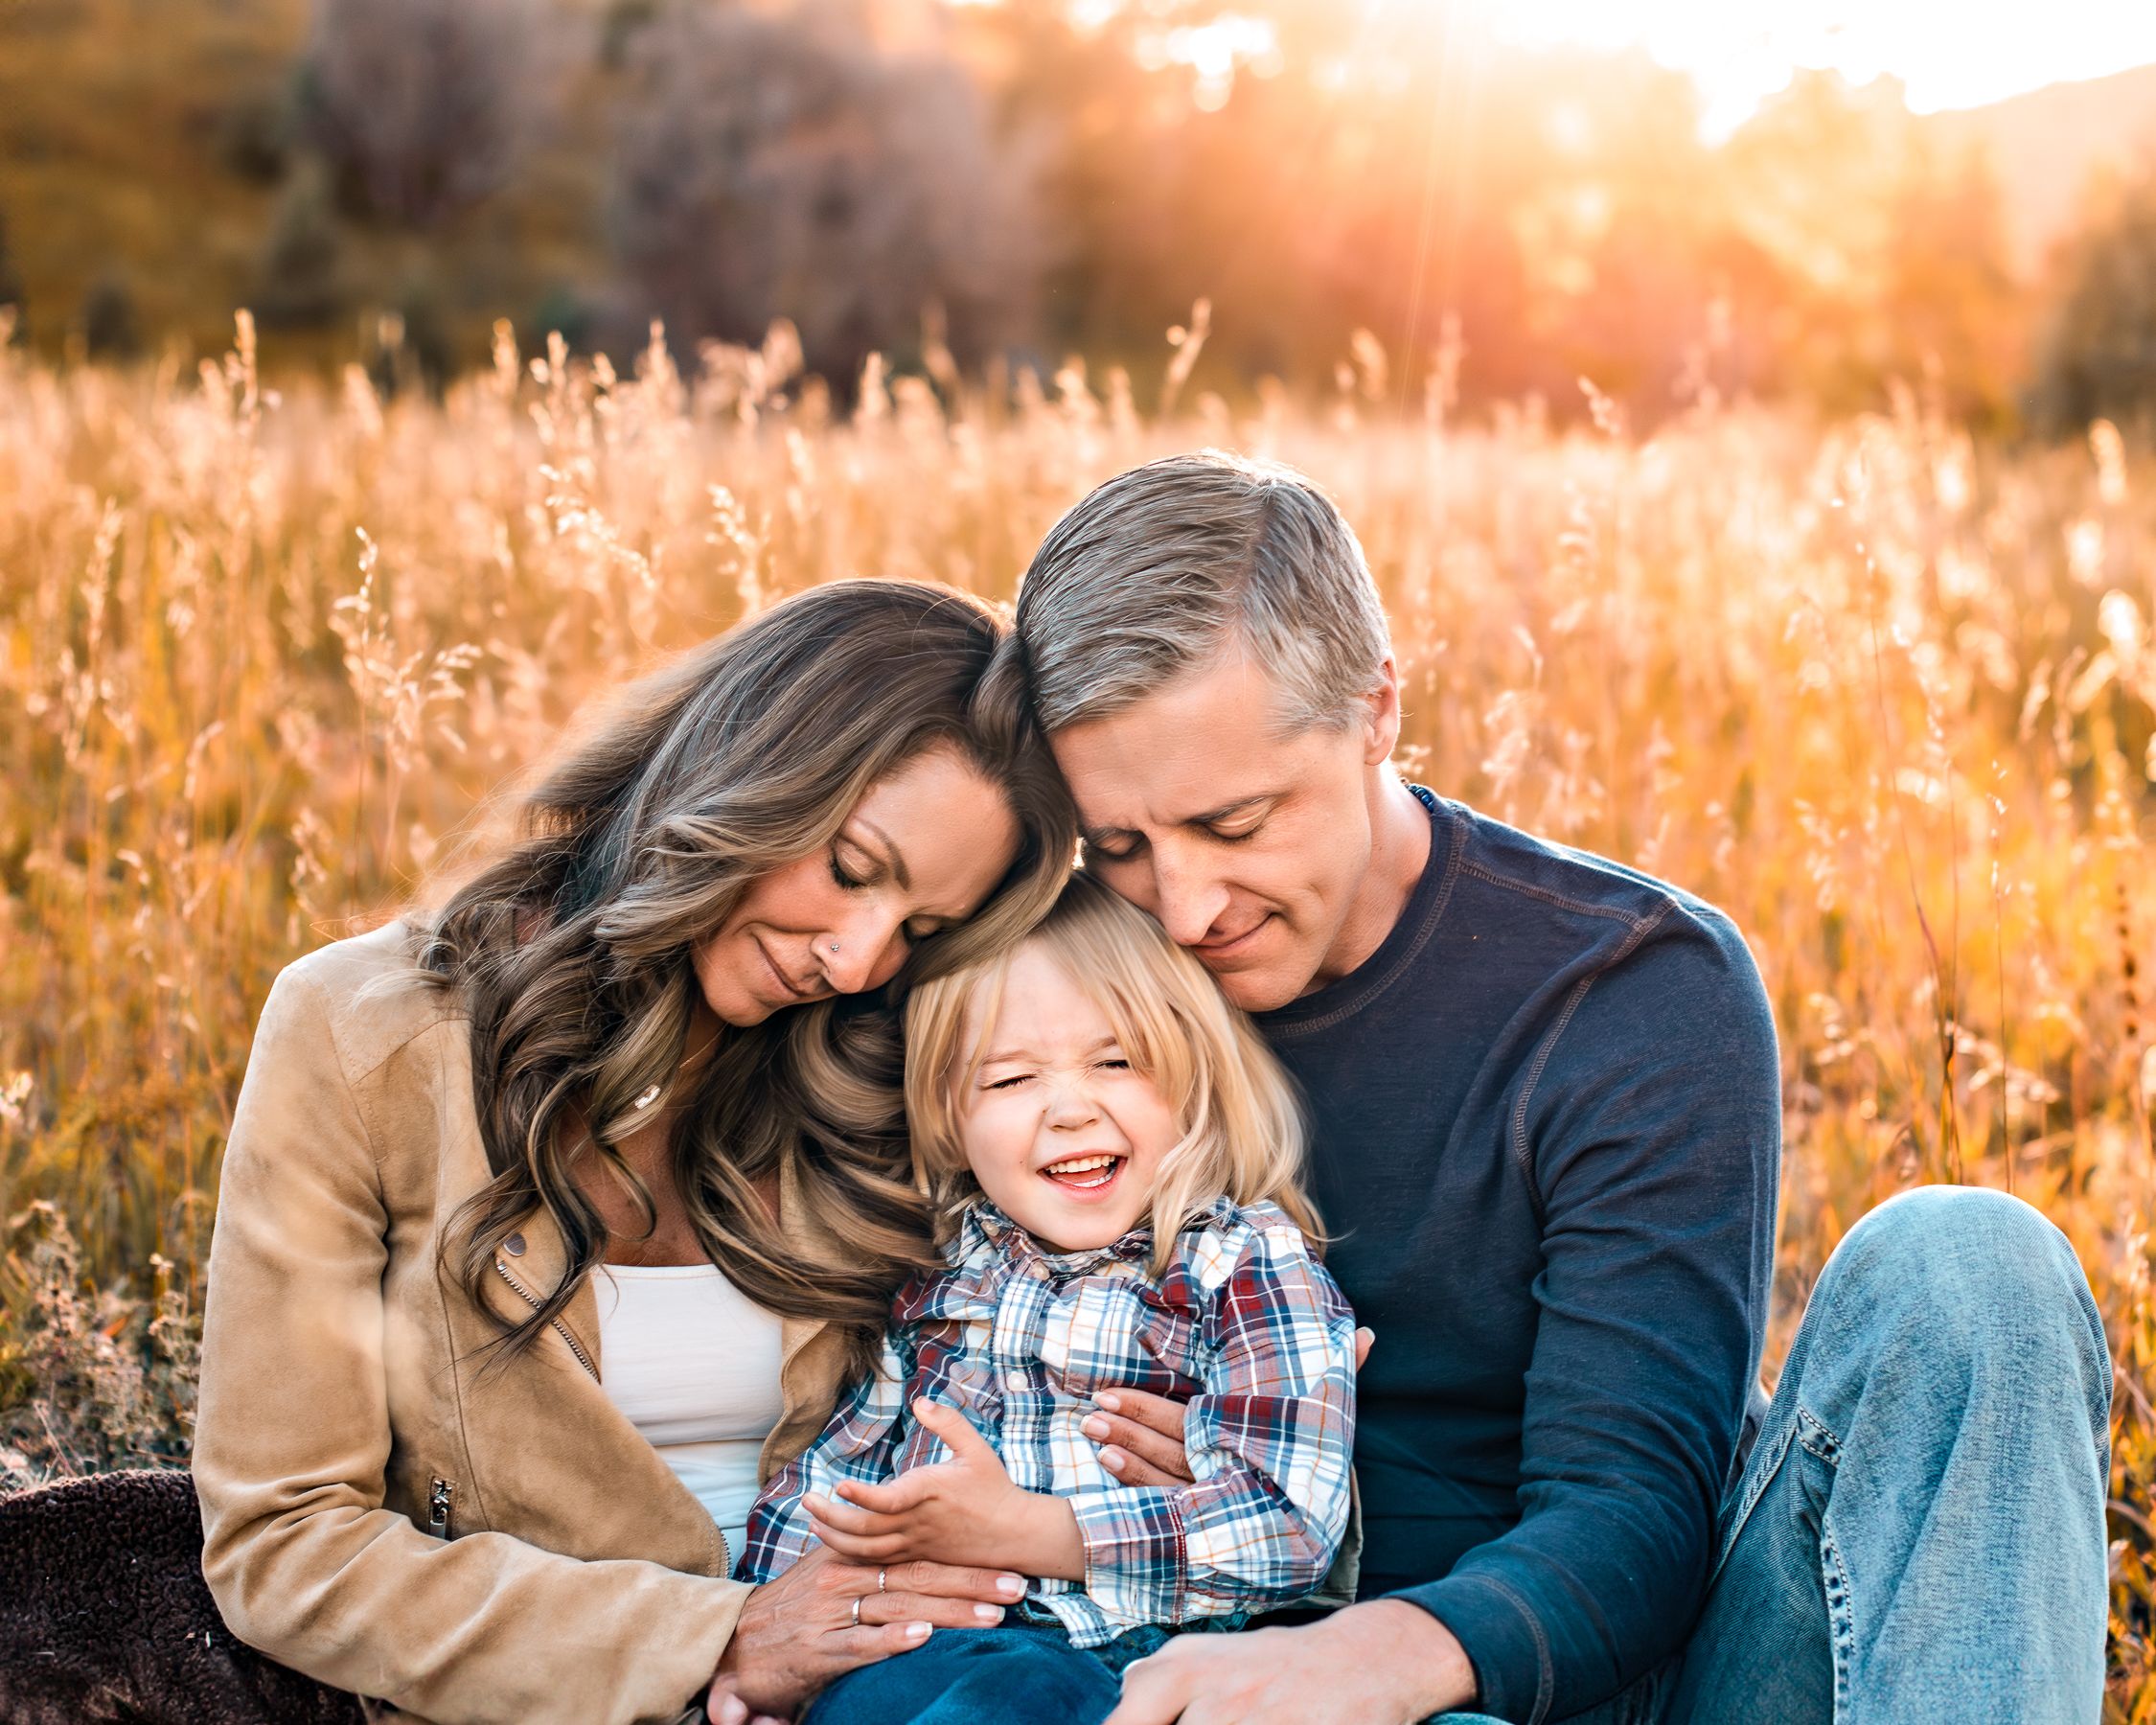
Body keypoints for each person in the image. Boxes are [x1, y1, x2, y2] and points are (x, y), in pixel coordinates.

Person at [1004, 451, 2113, 1725]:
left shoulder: (1624, 992)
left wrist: (1346, 1609)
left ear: (1375, 710)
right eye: (1124, 848)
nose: (1185, 911)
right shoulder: (1055, 997)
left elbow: (1632, 1514)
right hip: (1190, 1661)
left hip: (1628, 1681)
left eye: (1237, 825)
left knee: (1968, 1261)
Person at [191, 580, 1079, 1725]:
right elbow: (285, 1544)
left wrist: (1147, 1426)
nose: (856, 962)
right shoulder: (362, 1036)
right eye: (853, 870)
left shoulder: (899, 1068)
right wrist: (716, 1641)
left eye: (918, 931)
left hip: (908, 1690)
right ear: (751, 768)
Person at [735, 872, 1359, 1725]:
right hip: (948, 1640)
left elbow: (1288, 1524)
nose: (1069, 1109)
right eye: (1010, 1080)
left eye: (1116, 1062)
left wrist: (1024, 1531)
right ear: (949, 1119)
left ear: (1194, 1079)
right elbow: (842, 1467)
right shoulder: (947, 1271)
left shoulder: (1240, 1263)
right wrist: (780, 1637)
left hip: (1172, 1644)